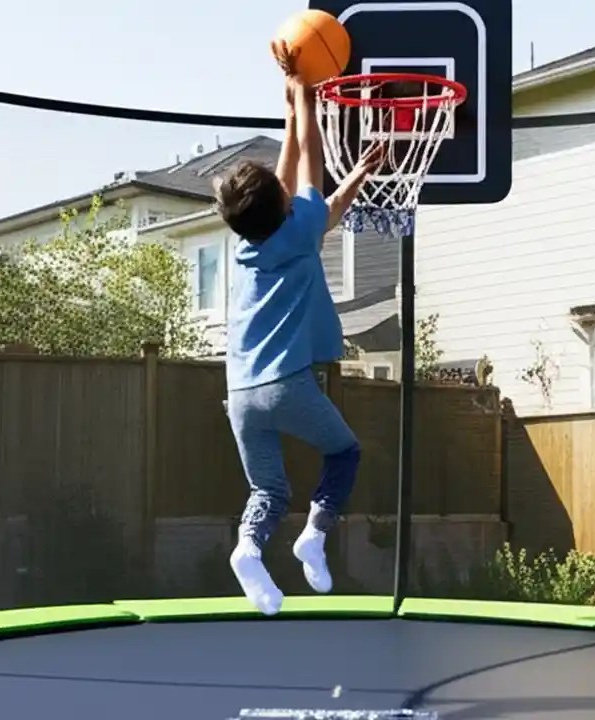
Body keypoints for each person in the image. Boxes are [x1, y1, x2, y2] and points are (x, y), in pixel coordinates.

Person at [212, 41, 385, 615]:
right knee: (345, 453)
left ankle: (248, 550)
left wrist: (290, 105)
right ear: (284, 205)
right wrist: (308, 100)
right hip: (288, 385)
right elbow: (313, 164)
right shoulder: (303, 225)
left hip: (240, 395)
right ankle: (314, 534)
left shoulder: (248, 245)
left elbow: (290, 176)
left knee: (268, 490)